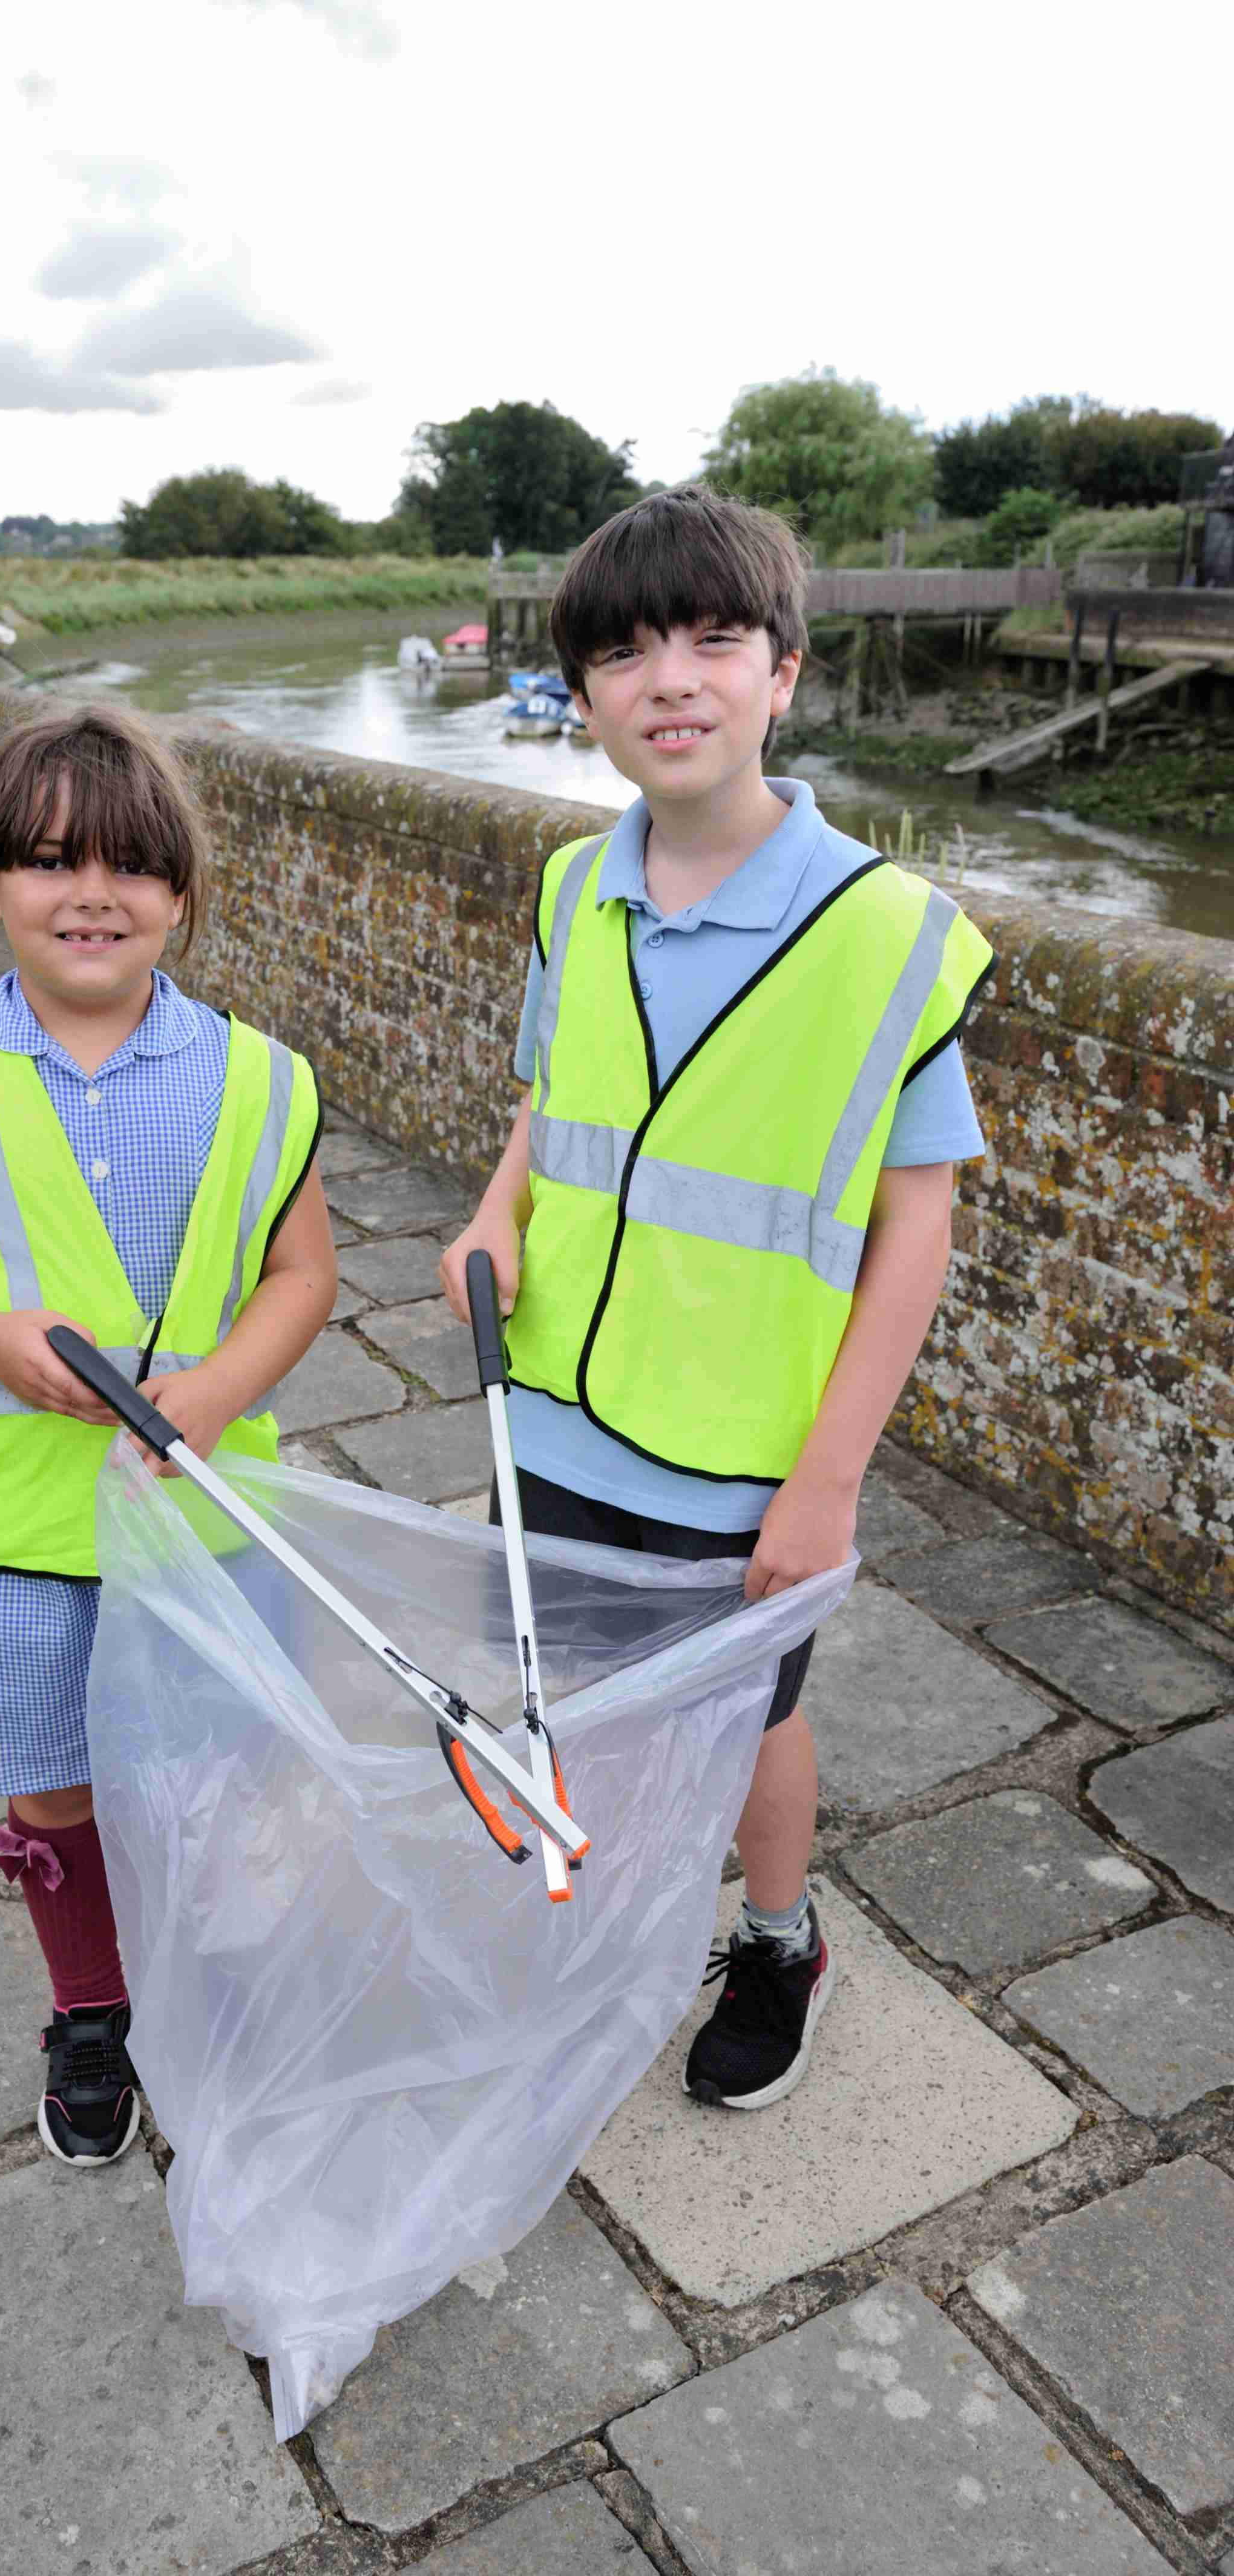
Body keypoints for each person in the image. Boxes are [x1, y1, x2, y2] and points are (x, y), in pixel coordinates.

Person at [442, 487, 992, 2111]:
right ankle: (603, 1923)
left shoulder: (889, 935)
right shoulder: (568, 890)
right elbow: (552, 1105)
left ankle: (775, 1936)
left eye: (712, 640)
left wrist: (825, 1487)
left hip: (746, 1452)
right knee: (577, 1697)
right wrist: (493, 1215)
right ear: (583, 696)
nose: (669, 679)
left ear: (785, 674)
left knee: (750, 1724)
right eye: (622, 653)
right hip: (547, 1406)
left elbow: (917, 1228)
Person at [0, 703, 336, 2166]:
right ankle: (94, 2008)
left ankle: (212, 1983)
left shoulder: (263, 1080)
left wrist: (221, 1386)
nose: (92, 894)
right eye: (51, 860)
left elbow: (302, 1275)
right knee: (54, 1786)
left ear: (179, 895)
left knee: (206, 1778)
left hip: (200, 1525)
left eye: (130, 866)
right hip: (16, 1539)